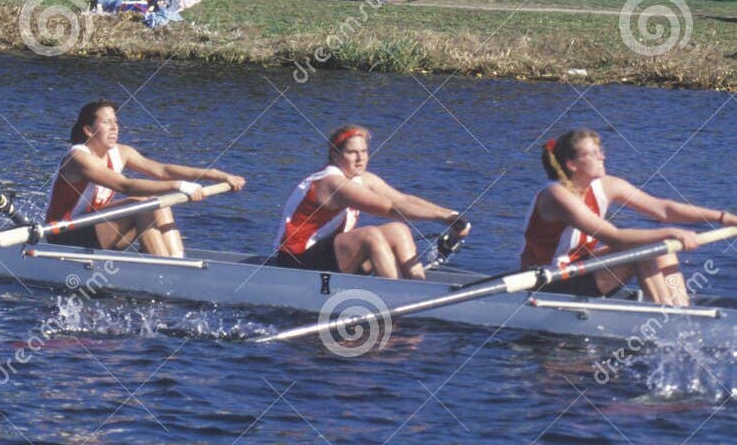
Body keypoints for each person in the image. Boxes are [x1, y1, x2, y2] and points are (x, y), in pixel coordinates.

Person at [521, 129, 737, 305]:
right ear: (572, 164)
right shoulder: (557, 196)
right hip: (546, 280)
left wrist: (723, 218)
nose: (602, 157)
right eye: (594, 154)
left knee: (662, 246)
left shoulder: (607, 185)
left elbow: (663, 209)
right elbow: (614, 237)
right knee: (645, 250)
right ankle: (667, 317)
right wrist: (673, 231)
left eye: (601, 151)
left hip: (578, 269)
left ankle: (680, 308)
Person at [46, 100, 246, 257]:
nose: (114, 127)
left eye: (116, 122)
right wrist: (178, 186)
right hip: (63, 235)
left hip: (95, 230)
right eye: (106, 122)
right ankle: (164, 270)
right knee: (143, 203)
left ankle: (176, 261)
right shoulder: (78, 159)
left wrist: (216, 174)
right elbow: (127, 186)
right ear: (88, 130)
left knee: (158, 203)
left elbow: (163, 170)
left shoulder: (122, 152)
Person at [272, 124, 469, 276]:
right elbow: (391, 209)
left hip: (326, 253)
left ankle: (418, 287)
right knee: (370, 235)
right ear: (335, 154)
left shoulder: (364, 179)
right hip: (294, 261)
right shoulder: (331, 183)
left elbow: (402, 199)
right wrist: (443, 218)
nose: (360, 158)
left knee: (398, 230)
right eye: (352, 152)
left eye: (364, 151)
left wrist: (452, 215)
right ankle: (395, 295)